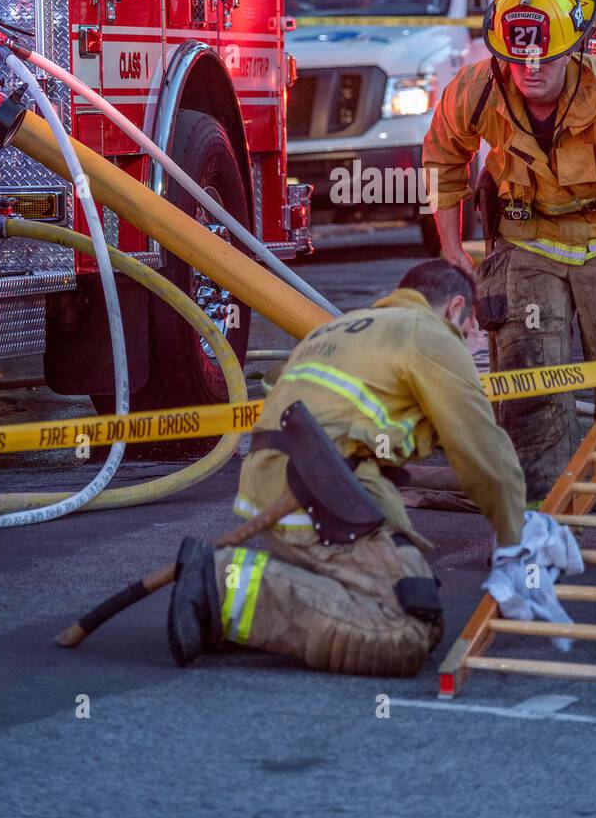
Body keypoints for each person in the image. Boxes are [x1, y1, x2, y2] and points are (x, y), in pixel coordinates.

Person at [166, 260, 530, 676]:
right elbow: (484, 450)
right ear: (456, 308)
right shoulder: (428, 333)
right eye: (468, 332)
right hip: (316, 493)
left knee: (420, 606)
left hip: (287, 486)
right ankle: (224, 585)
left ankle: (245, 601)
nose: (467, 343)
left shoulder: (344, 327)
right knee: (405, 635)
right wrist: (514, 540)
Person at [422, 0, 596, 549]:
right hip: (527, 238)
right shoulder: (474, 90)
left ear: (574, 49)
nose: (532, 69)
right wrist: (448, 245)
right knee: (531, 380)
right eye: (519, 60)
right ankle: (537, 524)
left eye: (547, 58)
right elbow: (441, 156)